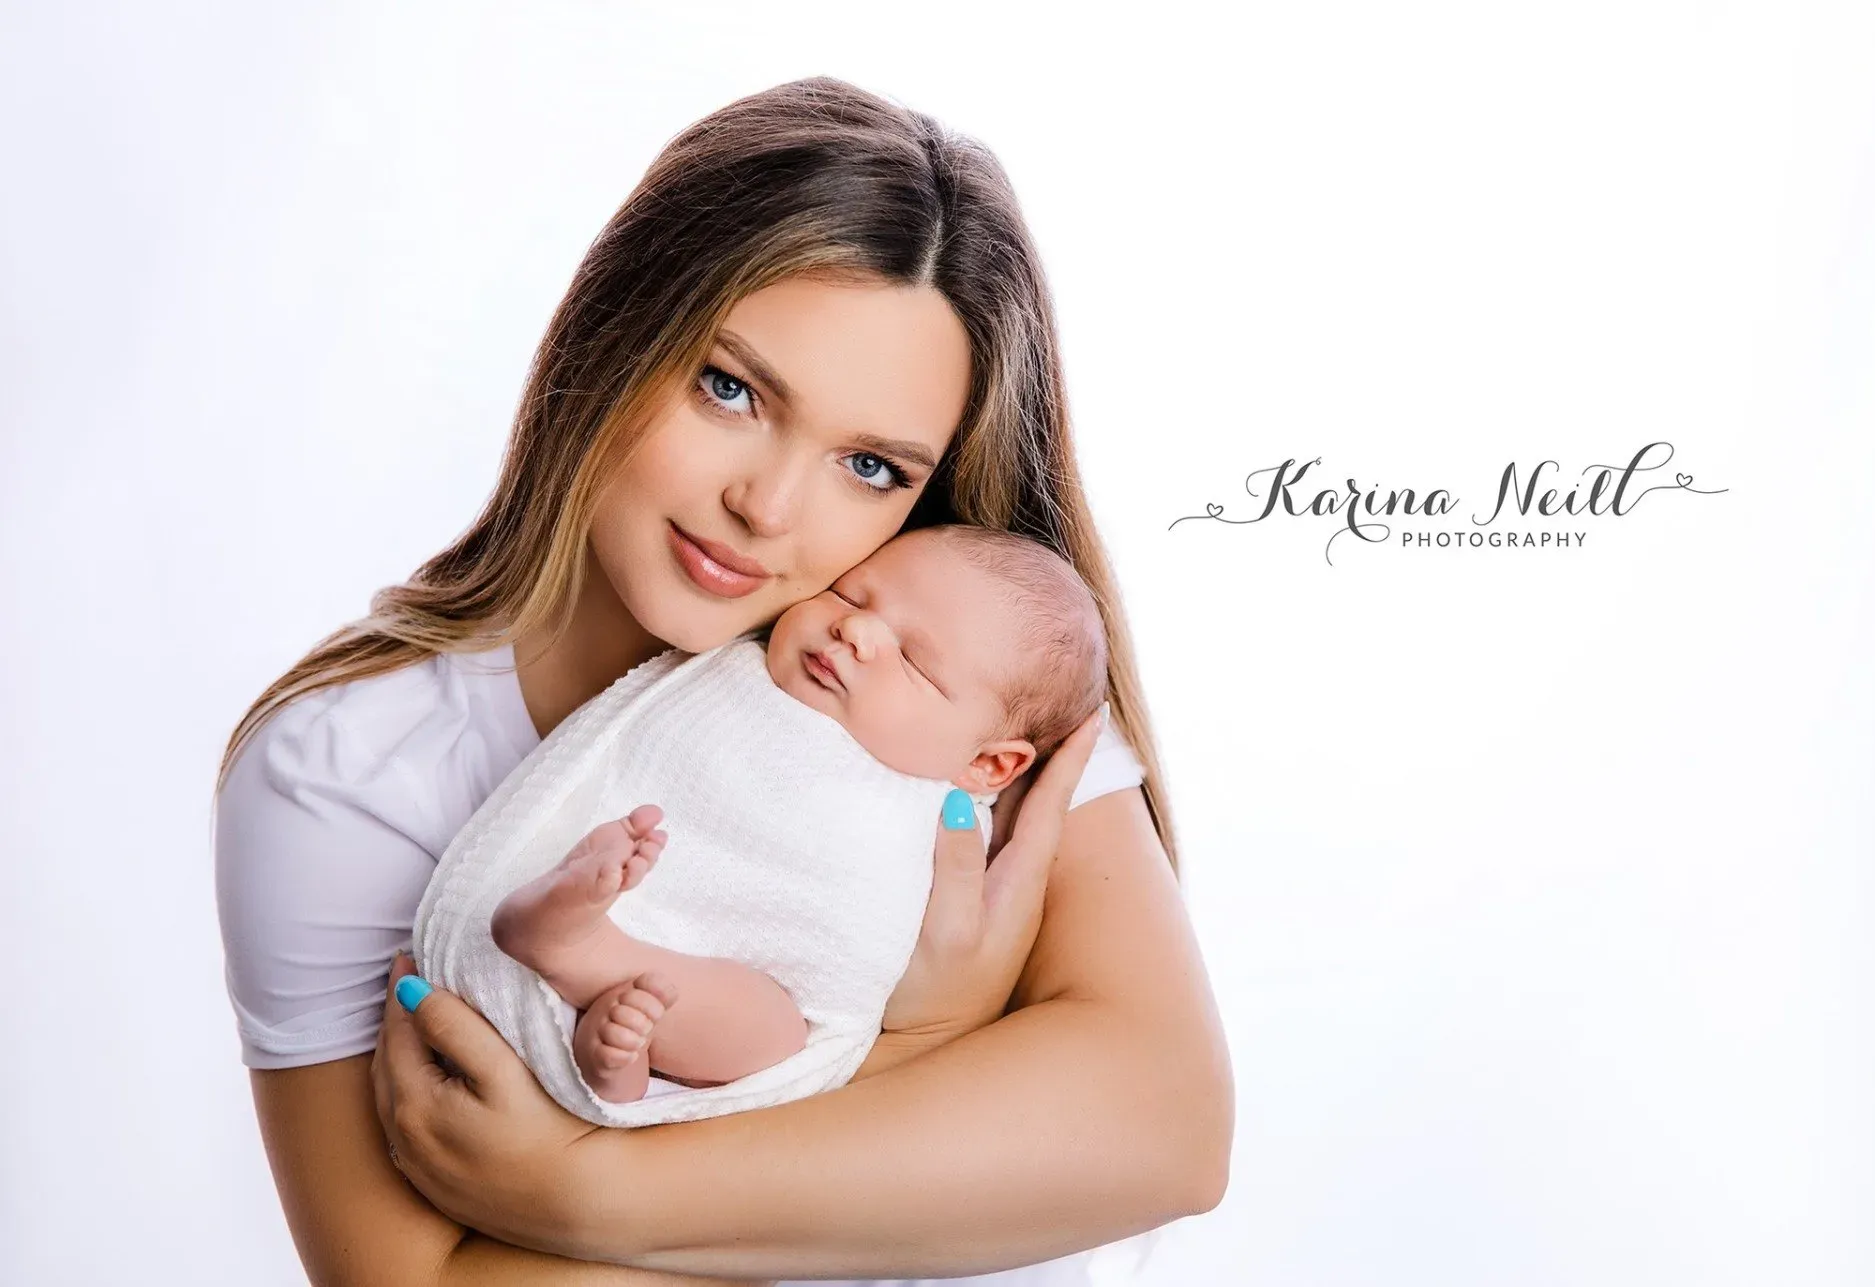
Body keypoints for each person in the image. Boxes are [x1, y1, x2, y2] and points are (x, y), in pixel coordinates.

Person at [215, 76, 1233, 1287]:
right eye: (732, 390)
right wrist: (932, 1059)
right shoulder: (348, 774)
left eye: (870, 465)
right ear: (617, 331)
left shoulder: (959, 678)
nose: (769, 507)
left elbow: (1171, 1133)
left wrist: (582, 1188)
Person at [471, 524, 1109, 1111]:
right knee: (614, 853)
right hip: (616, 891)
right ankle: (579, 947)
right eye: (849, 596)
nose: (856, 631)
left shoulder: (945, 816)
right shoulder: (735, 671)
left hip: (715, 998)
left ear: (989, 765)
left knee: (775, 1030)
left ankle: (613, 1051)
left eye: (914, 660)